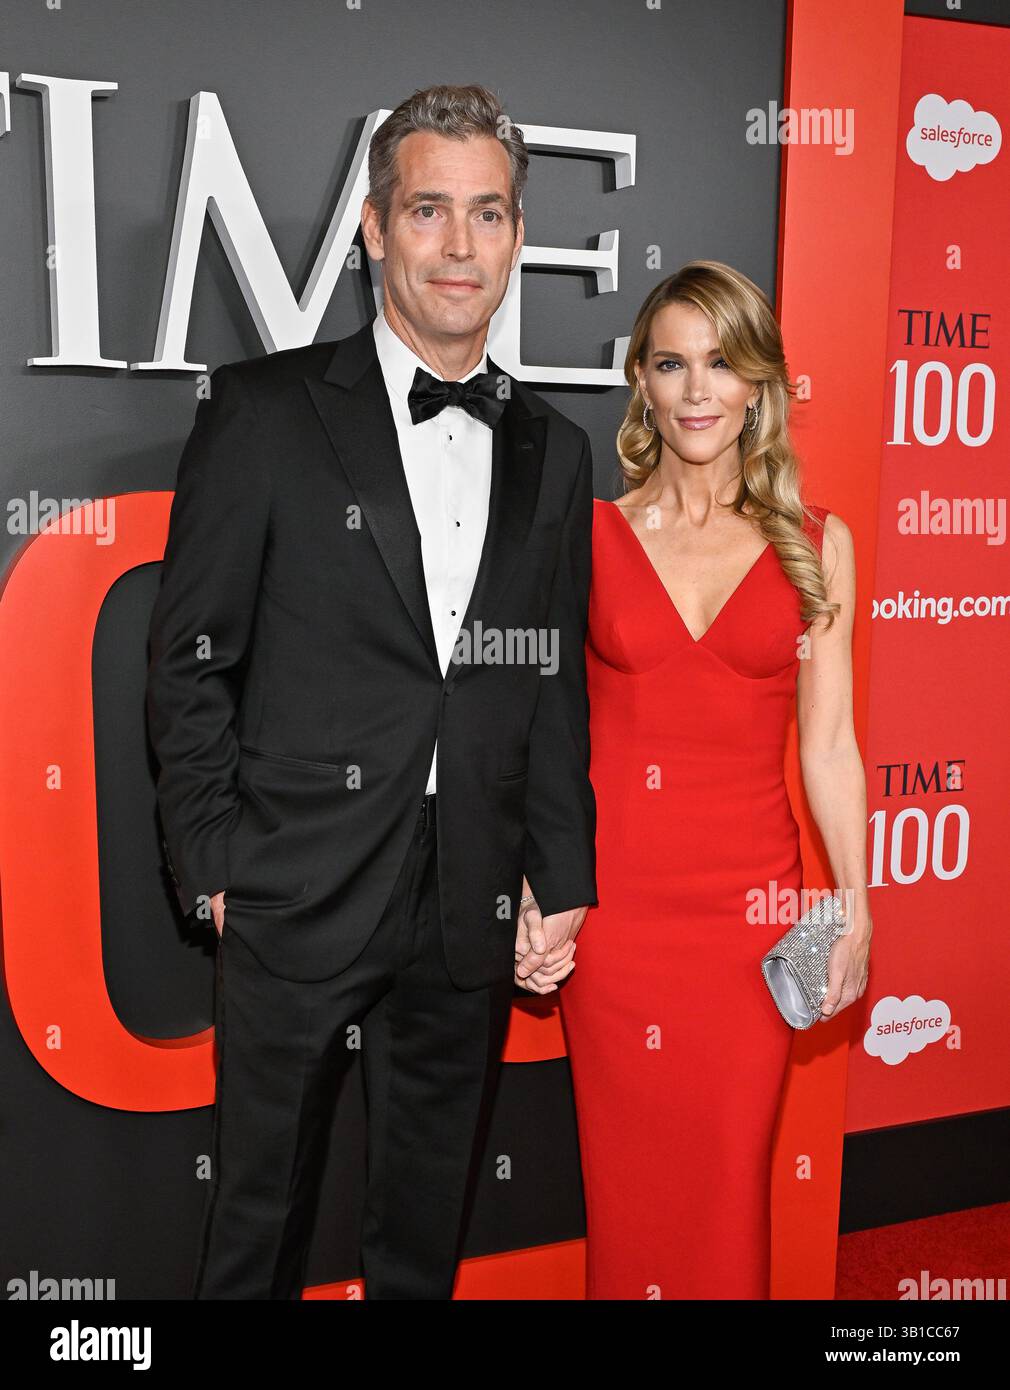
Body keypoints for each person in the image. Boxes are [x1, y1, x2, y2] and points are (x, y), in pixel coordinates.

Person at [145, 83, 596, 1300]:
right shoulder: (264, 413)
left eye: (489, 214)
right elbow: (192, 662)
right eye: (430, 210)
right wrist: (216, 864)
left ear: (516, 236)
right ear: (373, 228)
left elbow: (544, 673)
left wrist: (558, 872)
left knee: (423, 1228)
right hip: (296, 883)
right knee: (258, 1229)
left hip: (468, 898)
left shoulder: (554, 448)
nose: (460, 246)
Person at [539, 261, 872, 1299]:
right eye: (671, 363)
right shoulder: (587, 536)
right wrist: (538, 883)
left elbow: (826, 743)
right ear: (638, 380)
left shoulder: (816, 546)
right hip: (618, 924)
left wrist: (853, 902)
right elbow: (537, 736)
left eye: (721, 363)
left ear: (757, 385)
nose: (696, 390)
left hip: (747, 922)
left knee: (727, 1183)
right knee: (626, 1195)